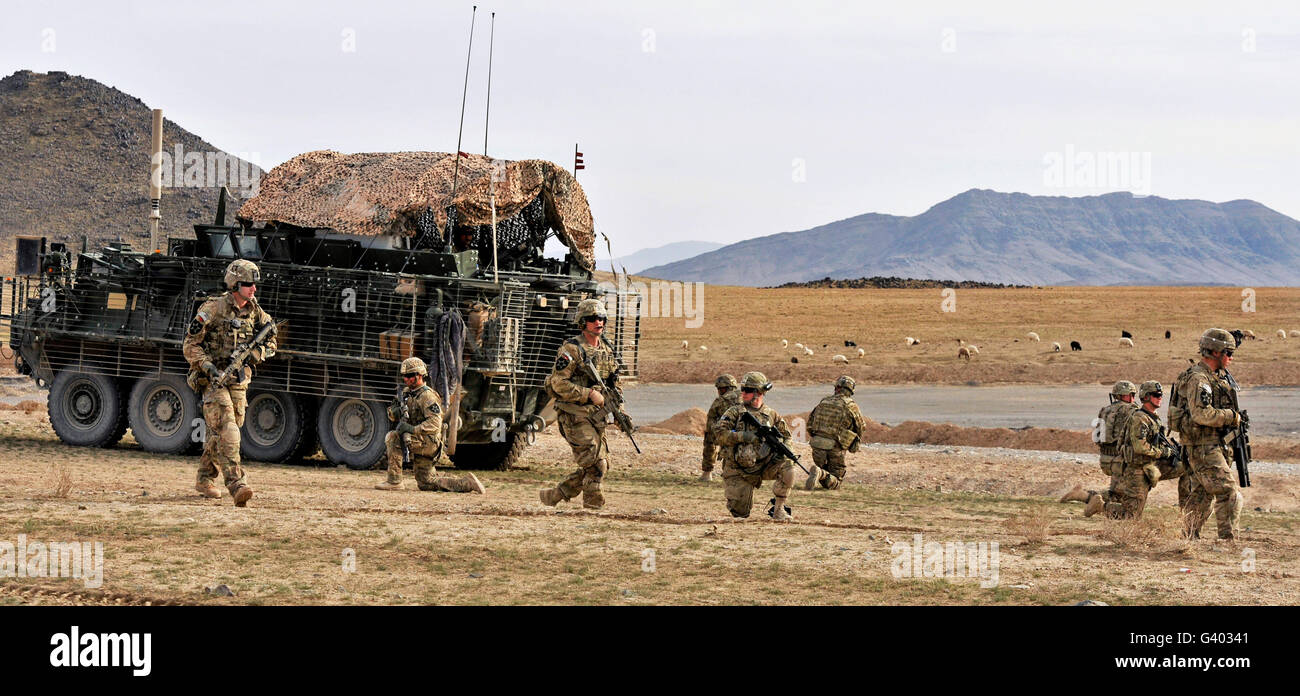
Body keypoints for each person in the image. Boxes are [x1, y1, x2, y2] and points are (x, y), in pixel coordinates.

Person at [182, 259, 275, 506]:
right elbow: (189, 345)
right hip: (213, 380)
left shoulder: (256, 311)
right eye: (248, 285)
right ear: (235, 285)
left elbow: (272, 339)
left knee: (222, 430)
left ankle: (204, 478)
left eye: (255, 285)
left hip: (238, 381)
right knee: (228, 427)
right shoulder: (213, 308)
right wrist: (208, 367)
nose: (254, 289)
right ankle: (237, 484)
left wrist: (258, 354)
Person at [539, 298, 626, 509]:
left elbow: (615, 385)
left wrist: (619, 412)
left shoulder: (607, 349)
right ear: (582, 322)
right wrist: (588, 394)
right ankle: (593, 509)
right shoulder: (572, 349)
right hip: (574, 415)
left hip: (597, 416)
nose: (599, 323)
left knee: (597, 465)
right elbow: (558, 383)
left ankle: (557, 494)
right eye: (593, 319)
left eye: (602, 318)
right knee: (597, 464)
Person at [1169, 328, 1246, 540]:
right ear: (1215, 352)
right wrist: (1230, 416)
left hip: (1204, 445)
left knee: (1202, 495)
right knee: (1228, 492)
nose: (1231, 358)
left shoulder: (1212, 377)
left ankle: (1188, 537)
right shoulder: (1199, 379)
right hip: (1203, 447)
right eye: (1228, 353)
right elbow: (1201, 414)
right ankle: (1228, 540)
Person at [375, 357, 484, 493]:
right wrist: (394, 412)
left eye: (409, 376)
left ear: (419, 375)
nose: (406, 379)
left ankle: (394, 481)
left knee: (393, 437)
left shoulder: (427, 396)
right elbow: (393, 415)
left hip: (428, 441)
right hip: (420, 439)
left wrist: (412, 429)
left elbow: (435, 424)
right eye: (404, 376)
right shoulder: (407, 393)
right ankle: (466, 483)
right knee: (426, 483)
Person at [712, 371, 796, 521]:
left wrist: (784, 448)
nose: (743, 393)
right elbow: (719, 434)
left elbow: (787, 436)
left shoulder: (771, 414)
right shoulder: (735, 412)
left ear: (759, 392)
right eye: (742, 389)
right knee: (740, 514)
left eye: (748, 390)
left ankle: (778, 509)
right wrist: (744, 437)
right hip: (737, 468)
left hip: (764, 465)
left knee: (788, 467)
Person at [1061, 381, 1139, 516]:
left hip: (1106, 458)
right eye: (1131, 395)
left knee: (1116, 492)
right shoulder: (1131, 411)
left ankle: (1083, 495)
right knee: (1124, 494)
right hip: (1123, 459)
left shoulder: (1105, 410)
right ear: (1124, 395)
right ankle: (1093, 502)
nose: (1133, 398)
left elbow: (1098, 437)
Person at [1105, 381, 1181, 520]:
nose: (1160, 398)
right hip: (1136, 470)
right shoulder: (1140, 418)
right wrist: (1163, 452)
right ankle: (1102, 506)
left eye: (1161, 395)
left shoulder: (1153, 417)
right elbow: (1140, 447)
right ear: (1146, 397)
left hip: (1148, 467)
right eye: (1156, 395)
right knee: (1131, 515)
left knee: (1184, 466)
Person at [805, 375, 866, 490]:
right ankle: (820, 473)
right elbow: (861, 427)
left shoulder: (823, 401)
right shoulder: (851, 405)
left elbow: (810, 424)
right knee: (836, 481)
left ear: (837, 388)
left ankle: (820, 472)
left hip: (816, 446)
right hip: (835, 447)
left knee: (825, 478)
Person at [700, 374, 741, 482]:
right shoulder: (745, 397)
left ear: (724, 388)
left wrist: (714, 431)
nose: (718, 391)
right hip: (742, 433)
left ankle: (707, 473)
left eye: (720, 388)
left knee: (709, 441)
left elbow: (711, 420)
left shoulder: (721, 400)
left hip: (726, 434)